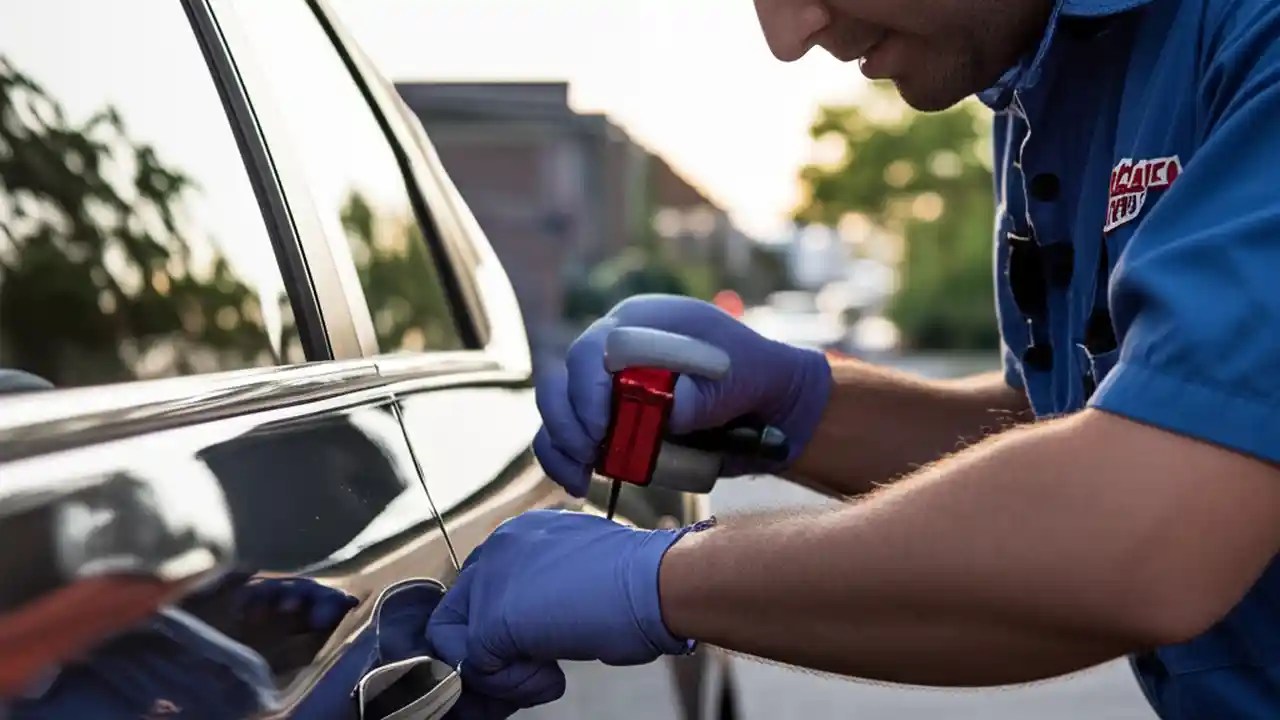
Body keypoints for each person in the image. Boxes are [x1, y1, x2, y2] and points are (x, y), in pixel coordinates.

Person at [427, 0, 1280, 718]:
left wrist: (658, 579)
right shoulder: (1046, 80)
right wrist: (795, 406)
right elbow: (1075, 438)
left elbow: (1151, 525)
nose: (788, 33)